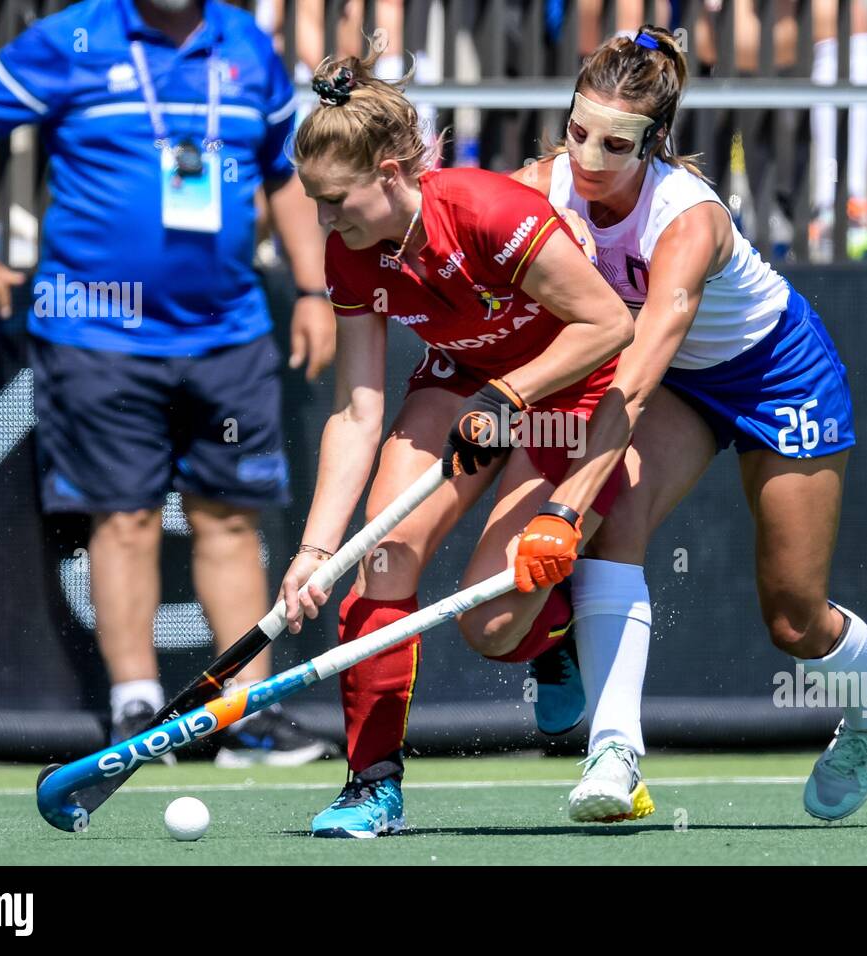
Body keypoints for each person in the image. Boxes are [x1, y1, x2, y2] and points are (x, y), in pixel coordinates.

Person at [514, 26, 867, 822]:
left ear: (654, 142)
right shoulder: (542, 184)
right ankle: (614, 755)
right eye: (577, 132)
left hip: (773, 374)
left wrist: (562, 508)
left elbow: (636, 370)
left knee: (794, 620)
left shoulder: (687, 220)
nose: (588, 159)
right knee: (615, 522)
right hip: (688, 385)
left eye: (615, 144)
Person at [0, 0, 335, 765]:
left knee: (230, 519)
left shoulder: (244, 41)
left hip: (229, 329)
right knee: (124, 517)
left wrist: (314, 291)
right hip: (97, 332)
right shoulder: (73, 36)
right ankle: (136, 709)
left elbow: (285, 168)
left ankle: (241, 713)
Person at [279, 54, 635, 837]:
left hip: (569, 388)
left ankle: (554, 630)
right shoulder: (352, 252)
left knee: (492, 628)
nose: (324, 222)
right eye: (313, 203)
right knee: (382, 560)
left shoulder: (485, 211)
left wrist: (510, 397)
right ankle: (371, 786)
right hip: (464, 376)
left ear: (392, 171)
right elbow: (356, 408)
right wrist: (315, 550)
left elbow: (610, 323)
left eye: (335, 201)